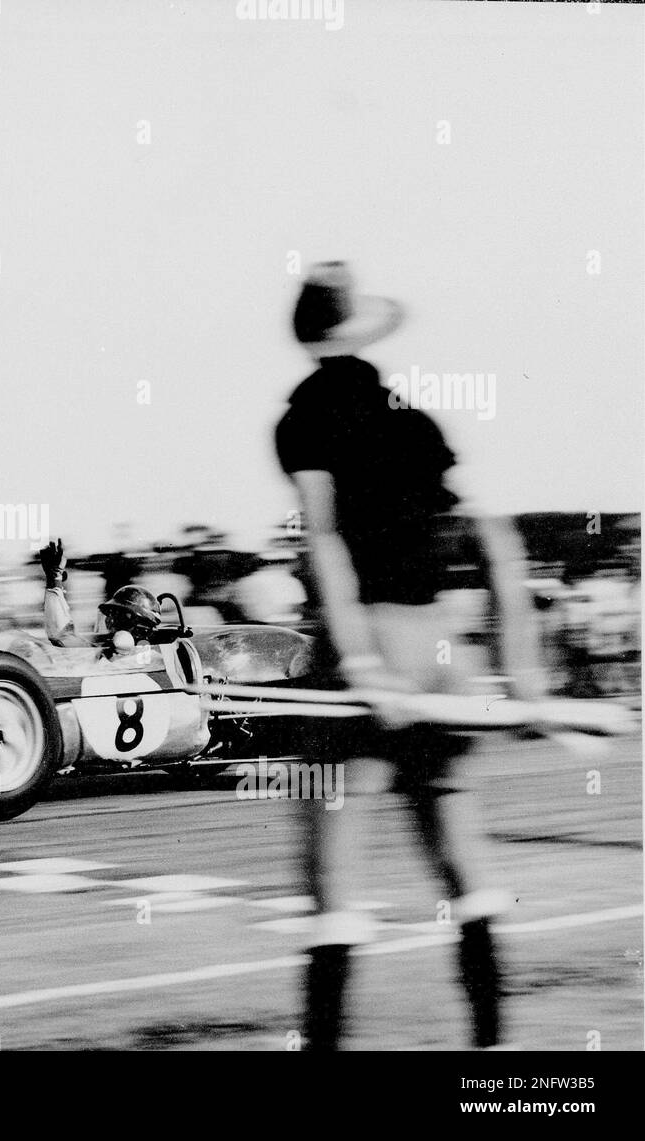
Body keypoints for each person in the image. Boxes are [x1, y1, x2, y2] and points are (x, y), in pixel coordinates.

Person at [274, 262, 546, 1050]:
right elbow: (495, 539)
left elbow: (322, 536)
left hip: (373, 638)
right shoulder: (414, 418)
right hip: (444, 649)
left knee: (334, 873)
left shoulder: (303, 419)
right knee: (464, 859)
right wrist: (518, 656)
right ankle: (493, 1063)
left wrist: (357, 656)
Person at [37, 538, 162, 651]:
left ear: (139, 627)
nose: (109, 622)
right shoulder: (104, 651)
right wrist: (55, 579)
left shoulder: (153, 657)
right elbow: (63, 637)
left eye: (118, 619)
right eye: (110, 616)